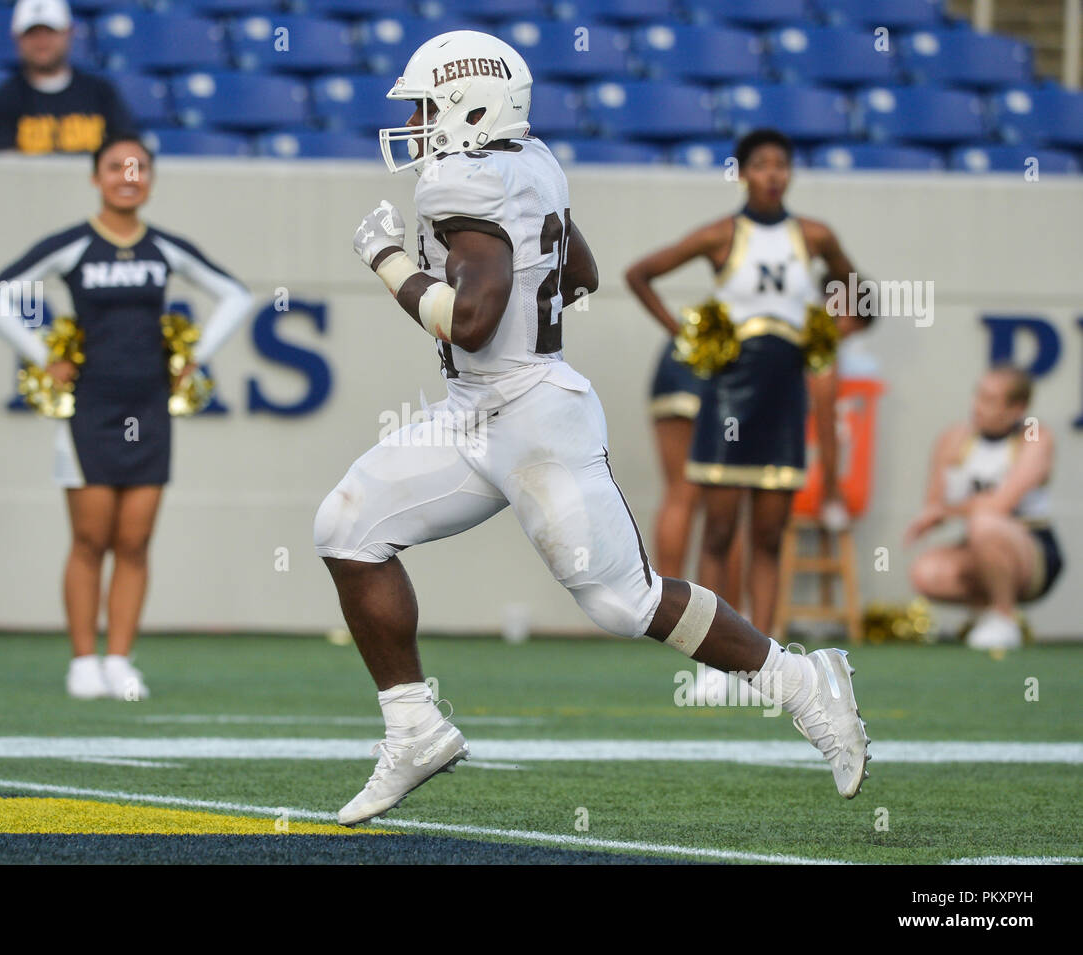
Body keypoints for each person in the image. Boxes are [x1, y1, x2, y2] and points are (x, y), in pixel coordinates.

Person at [313, 34, 870, 827]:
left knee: (625, 601)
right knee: (345, 526)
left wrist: (388, 261)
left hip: (535, 416)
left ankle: (803, 682)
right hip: (475, 411)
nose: (414, 120)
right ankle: (414, 727)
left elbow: (470, 320)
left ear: (474, 106)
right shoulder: (534, 159)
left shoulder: (459, 180)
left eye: (425, 105)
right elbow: (582, 274)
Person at [0, 135, 254, 698]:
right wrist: (43, 357)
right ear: (95, 177)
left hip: (149, 406)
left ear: (150, 178)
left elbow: (236, 295)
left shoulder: (165, 249)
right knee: (89, 538)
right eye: (115, 167)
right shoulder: (75, 244)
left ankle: (120, 660)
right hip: (90, 408)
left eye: (139, 168)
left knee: (135, 541)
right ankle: (83, 660)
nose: (127, 176)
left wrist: (195, 358)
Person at [622, 129, 858, 636]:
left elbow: (858, 294)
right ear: (742, 173)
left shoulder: (815, 235)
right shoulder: (720, 235)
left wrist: (826, 332)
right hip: (729, 392)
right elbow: (639, 274)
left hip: (784, 394)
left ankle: (766, 656)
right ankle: (714, 655)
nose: (772, 174)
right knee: (719, 530)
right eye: (761, 164)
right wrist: (683, 332)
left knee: (770, 536)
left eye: (781, 164)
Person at [906, 365, 1063, 650]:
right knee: (925, 571)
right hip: (977, 544)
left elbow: (1002, 503)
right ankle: (984, 614)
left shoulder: (1035, 437)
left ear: (1017, 408)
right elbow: (934, 506)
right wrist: (934, 514)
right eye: (978, 395)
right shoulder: (954, 438)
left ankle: (1004, 617)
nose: (978, 406)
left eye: (990, 400)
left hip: (1032, 549)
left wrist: (948, 511)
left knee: (985, 522)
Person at [0, 0, 132, 154]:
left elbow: (127, 151)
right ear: (17, 38)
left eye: (50, 32)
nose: (42, 41)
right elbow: (0, 168)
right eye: (32, 33)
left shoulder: (102, 93)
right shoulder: (3, 100)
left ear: (69, 33)